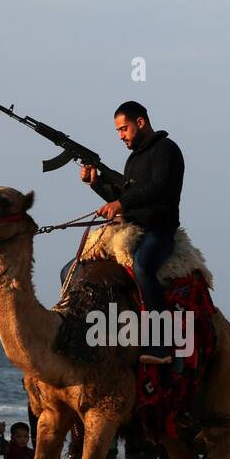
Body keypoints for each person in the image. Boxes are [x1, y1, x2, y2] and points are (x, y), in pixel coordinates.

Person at [82, 101, 184, 356]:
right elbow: (125, 197)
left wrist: (120, 202)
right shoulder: (133, 159)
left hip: (159, 230)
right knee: (78, 268)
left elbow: (158, 188)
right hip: (130, 229)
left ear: (141, 122)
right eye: (117, 131)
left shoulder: (166, 150)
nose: (120, 136)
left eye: (123, 129)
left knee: (142, 267)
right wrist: (95, 184)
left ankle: (161, 344)